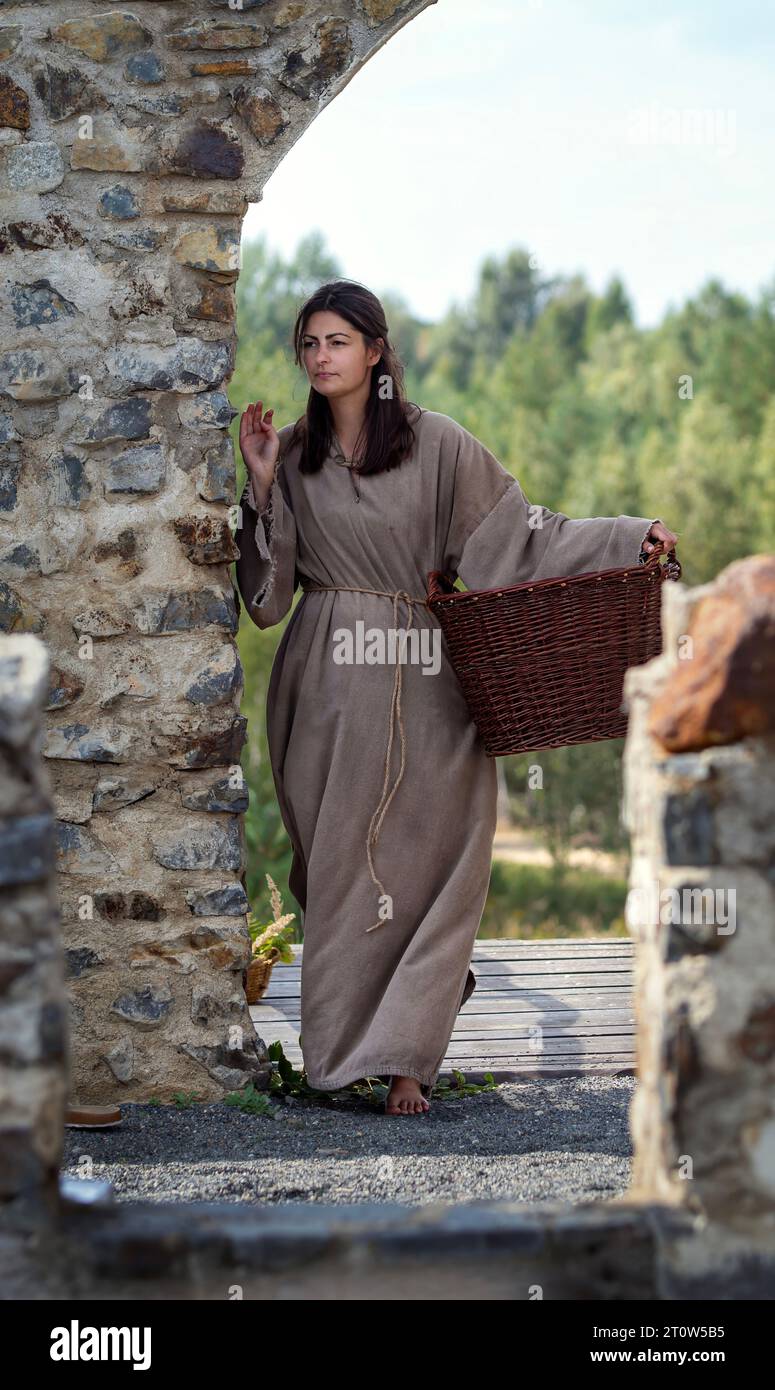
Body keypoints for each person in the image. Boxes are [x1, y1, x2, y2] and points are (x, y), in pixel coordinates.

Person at [234, 279, 678, 1117]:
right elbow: (265, 600)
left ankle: (408, 1060)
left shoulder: (437, 445)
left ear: (375, 352)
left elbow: (521, 537)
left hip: (433, 678)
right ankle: (337, 1058)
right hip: (327, 680)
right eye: (309, 344)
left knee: (440, 862)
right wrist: (260, 486)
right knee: (339, 869)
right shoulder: (291, 453)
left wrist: (627, 536)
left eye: (337, 342)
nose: (320, 357)